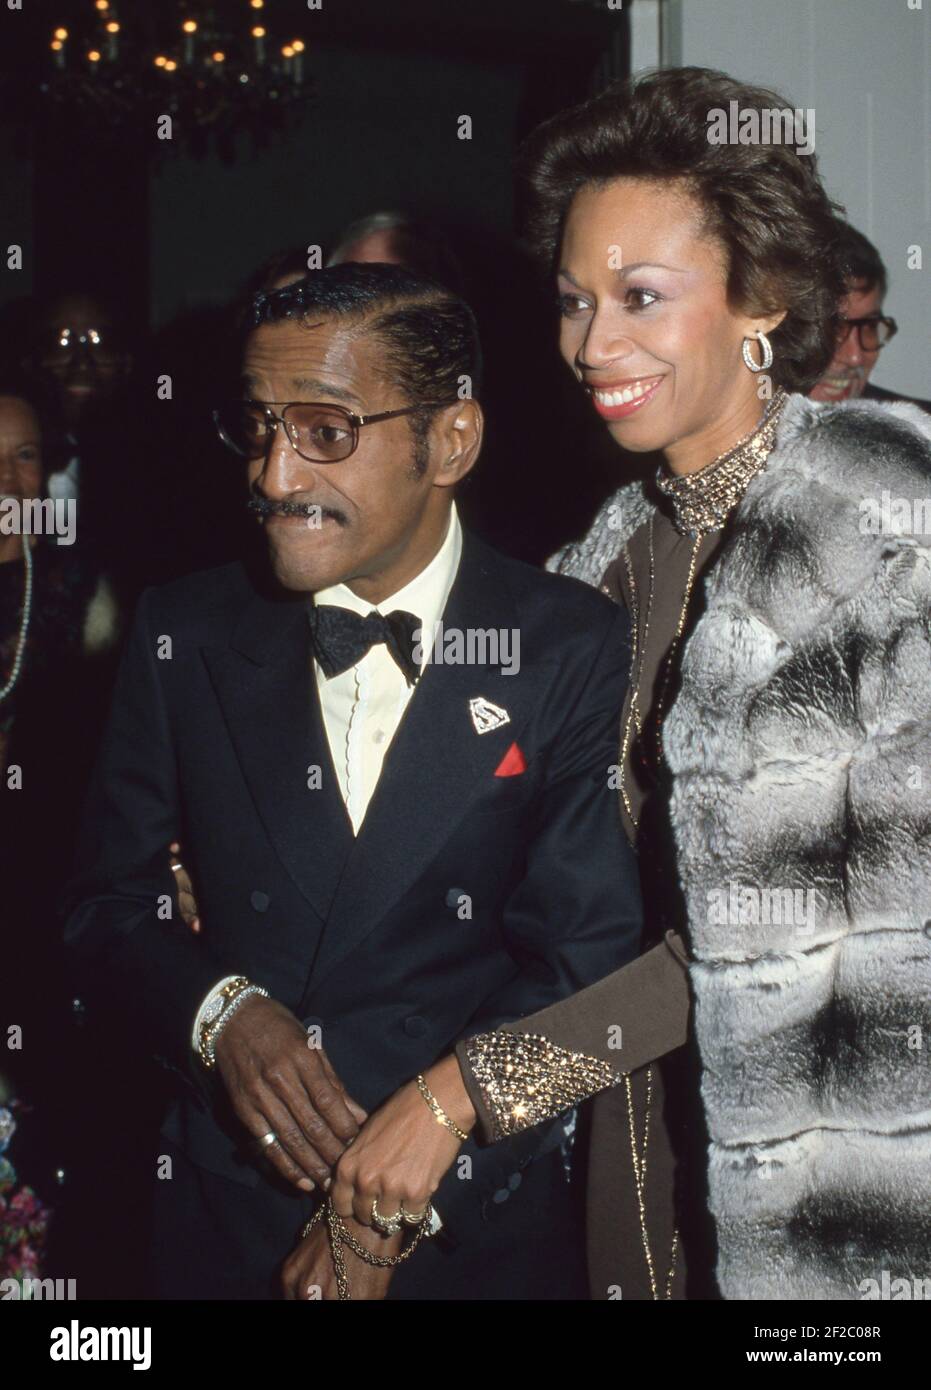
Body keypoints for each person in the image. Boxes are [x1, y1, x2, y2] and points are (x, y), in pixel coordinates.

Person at [323, 68, 931, 1302]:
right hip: (627, 1150)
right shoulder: (599, 565)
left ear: (760, 300)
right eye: (573, 302)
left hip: (839, 1187)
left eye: (641, 298)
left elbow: (757, 936)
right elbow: (491, 863)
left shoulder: (878, 533)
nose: (594, 346)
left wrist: (467, 1092)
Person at [61, 263, 643, 1301]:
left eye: (326, 430)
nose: (274, 476)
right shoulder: (181, 630)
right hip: (218, 1226)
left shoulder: (568, 644)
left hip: (478, 1237)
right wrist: (218, 1013)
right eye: (256, 427)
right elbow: (105, 906)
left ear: (450, 441)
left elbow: (591, 980)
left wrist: (407, 1192)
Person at [810, 220, 930, 411]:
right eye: (834, 328)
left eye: (869, 327)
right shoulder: (748, 431)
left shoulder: (919, 431)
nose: (855, 357)